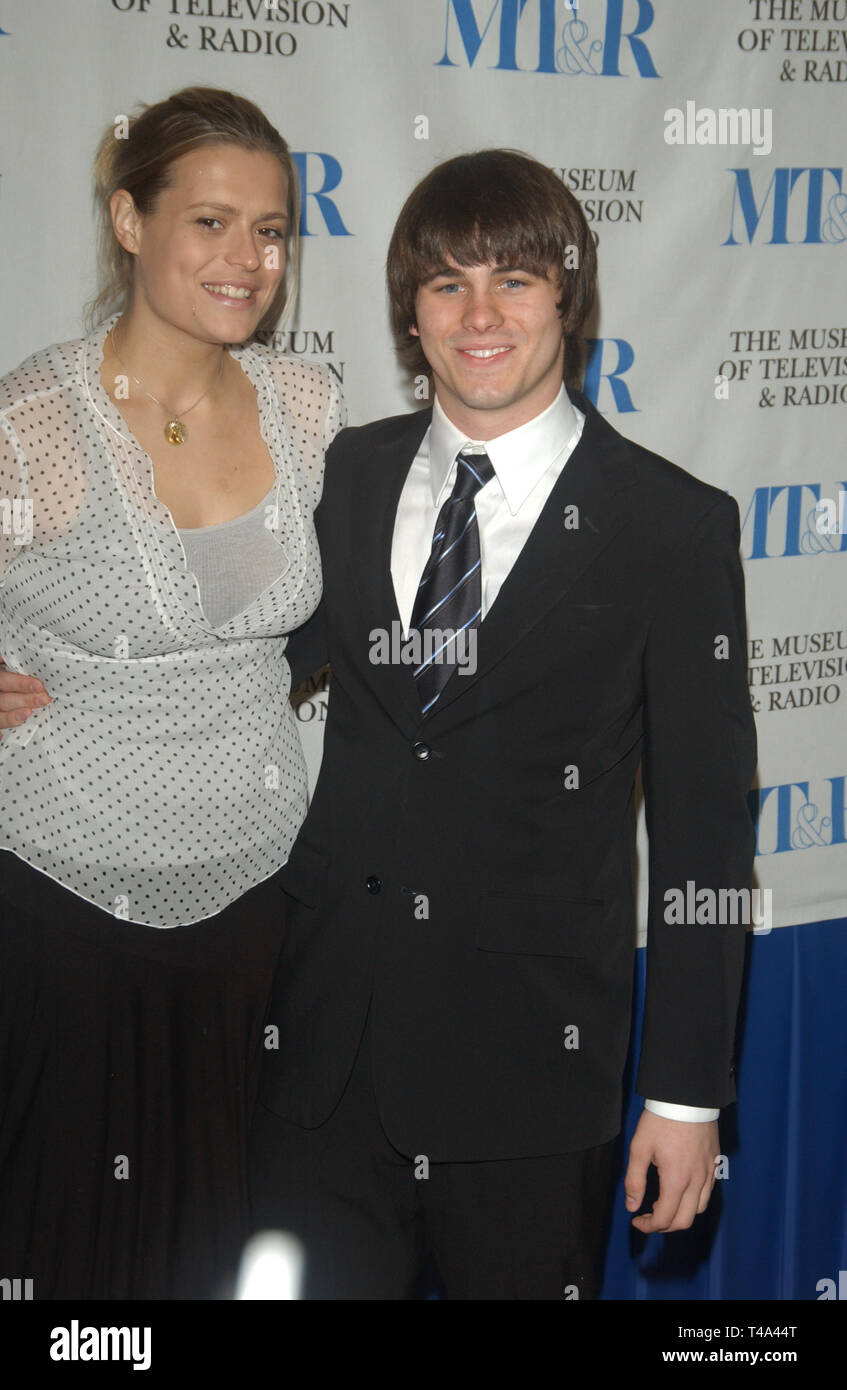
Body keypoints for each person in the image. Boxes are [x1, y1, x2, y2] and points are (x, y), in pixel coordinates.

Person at [247, 149, 758, 1300]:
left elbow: (704, 839)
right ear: (410, 316)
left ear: (567, 302)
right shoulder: (343, 476)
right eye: (446, 285)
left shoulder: (671, 528)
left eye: (515, 280)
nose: (480, 314)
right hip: (323, 1064)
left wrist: (684, 1096)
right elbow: (239, 668)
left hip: (530, 1079)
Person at [0, 86, 342, 1298]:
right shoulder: (33, 424)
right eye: (209, 221)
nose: (246, 259)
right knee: (69, 1257)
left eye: (269, 229)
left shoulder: (306, 405)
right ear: (129, 221)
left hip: (256, 900)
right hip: (66, 906)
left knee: (222, 1248)